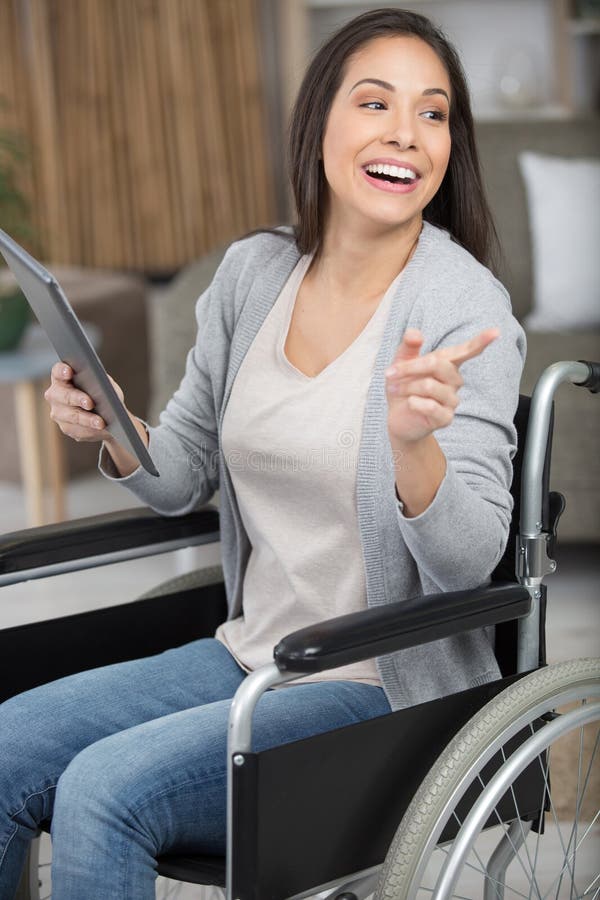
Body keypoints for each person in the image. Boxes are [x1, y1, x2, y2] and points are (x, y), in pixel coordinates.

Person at [0, 7, 525, 898]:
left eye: (433, 113)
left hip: (379, 687)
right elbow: (181, 479)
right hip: (251, 656)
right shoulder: (254, 274)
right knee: (7, 744)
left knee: (104, 792)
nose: (407, 132)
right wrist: (118, 428)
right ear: (319, 119)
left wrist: (413, 448)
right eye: (375, 103)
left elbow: (470, 563)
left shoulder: (466, 312)